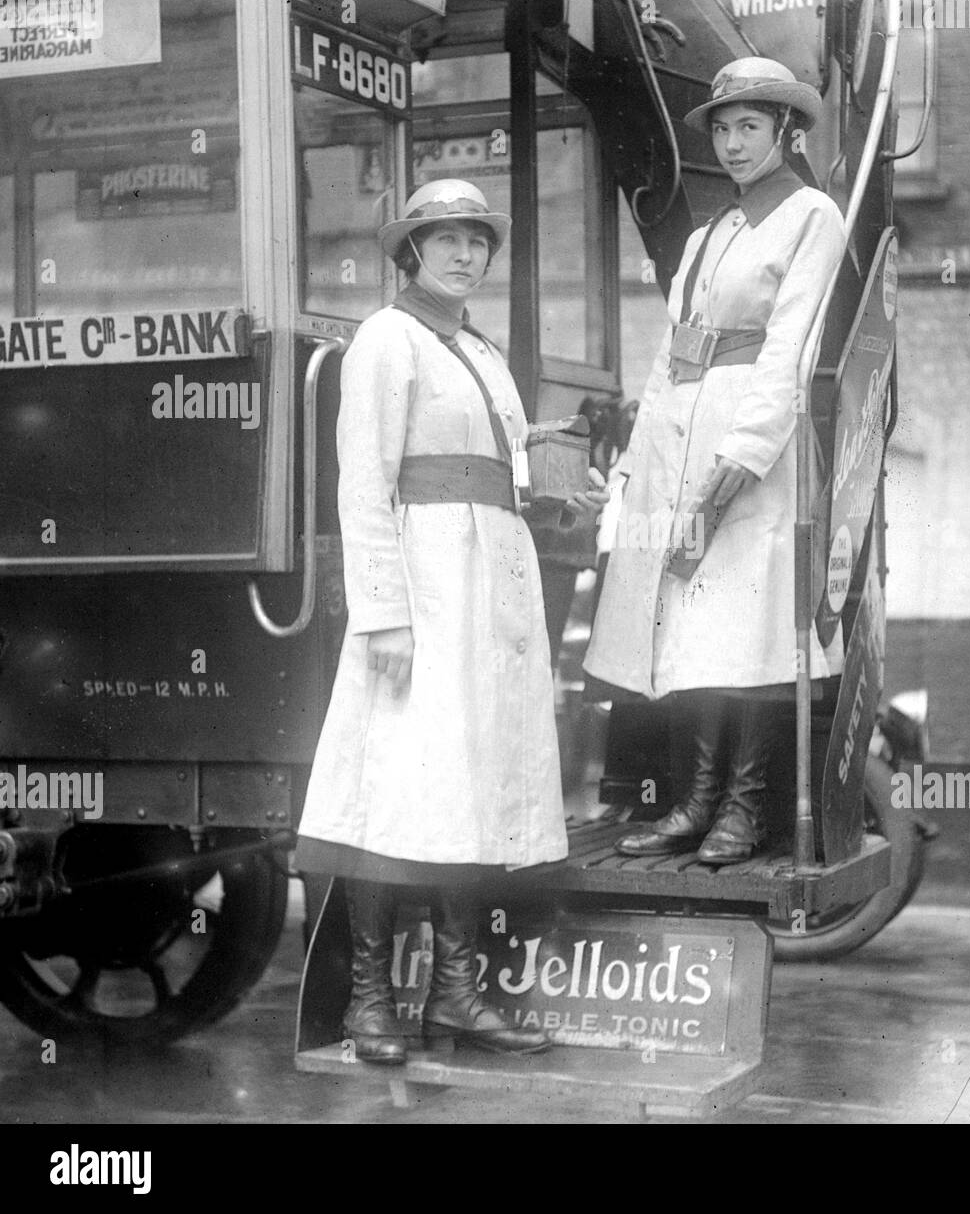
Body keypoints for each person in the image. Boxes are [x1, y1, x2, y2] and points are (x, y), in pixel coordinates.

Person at [295, 178, 606, 1063]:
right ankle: (368, 1002)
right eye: (448, 241)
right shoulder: (386, 341)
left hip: (486, 597)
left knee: (464, 793)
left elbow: (488, 466)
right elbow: (366, 482)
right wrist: (384, 616)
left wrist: (539, 456)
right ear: (410, 254)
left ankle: (457, 996)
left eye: (479, 241)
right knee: (396, 790)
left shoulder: (476, 347)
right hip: (423, 598)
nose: (467, 255)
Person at [584, 57, 847, 865]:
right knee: (691, 627)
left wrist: (740, 458)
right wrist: (634, 470)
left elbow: (790, 352)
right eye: (724, 128)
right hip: (675, 444)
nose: (733, 144)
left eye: (749, 128)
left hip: (749, 453)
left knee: (749, 630)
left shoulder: (811, 217)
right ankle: (696, 802)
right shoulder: (707, 236)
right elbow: (669, 359)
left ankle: (745, 806)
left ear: (786, 131)